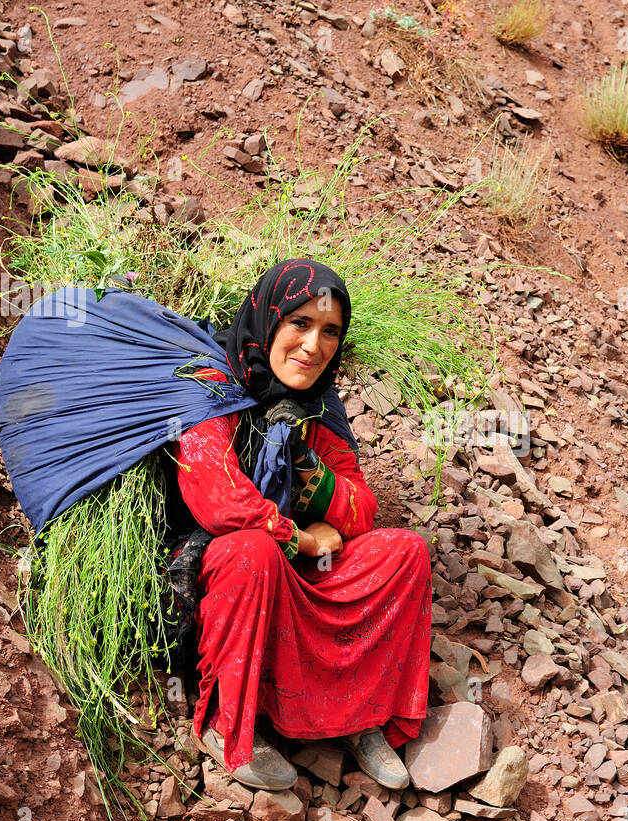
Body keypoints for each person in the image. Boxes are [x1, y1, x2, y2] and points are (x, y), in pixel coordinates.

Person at [164, 259, 433, 792]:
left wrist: (311, 474)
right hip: (219, 568)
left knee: (405, 551)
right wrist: (303, 538)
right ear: (269, 321)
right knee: (252, 553)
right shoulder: (210, 388)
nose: (314, 346)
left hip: (292, 571)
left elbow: (361, 507)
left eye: (330, 331)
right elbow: (219, 502)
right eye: (300, 324)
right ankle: (231, 724)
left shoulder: (317, 405)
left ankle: (354, 713)